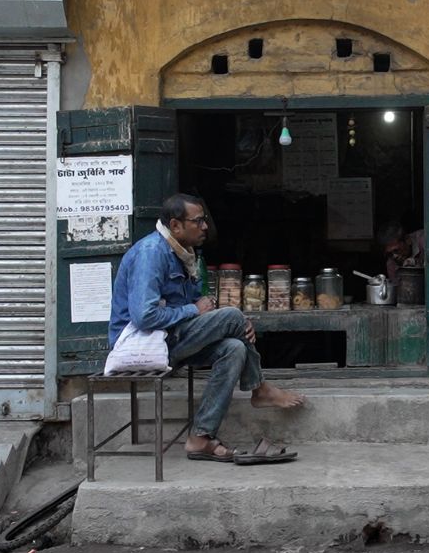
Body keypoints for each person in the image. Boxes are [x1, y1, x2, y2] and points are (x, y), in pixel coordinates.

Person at [109, 193, 305, 462]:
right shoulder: (151, 253)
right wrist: (195, 310)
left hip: (170, 338)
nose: (205, 227)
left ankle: (200, 437)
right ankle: (258, 389)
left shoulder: (183, 254)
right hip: (144, 345)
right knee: (233, 316)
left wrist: (207, 311)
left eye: (204, 220)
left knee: (234, 348)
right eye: (198, 221)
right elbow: (144, 316)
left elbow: (188, 305)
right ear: (176, 225)